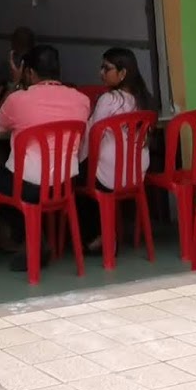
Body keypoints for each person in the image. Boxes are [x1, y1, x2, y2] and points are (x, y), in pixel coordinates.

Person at [0, 44, 90, 271]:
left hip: (29, 187)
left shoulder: (19, 99)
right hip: (65, 185)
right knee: (13, 179)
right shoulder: (81, 100)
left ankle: (26, 239)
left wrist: (14, 83)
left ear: (29, 72)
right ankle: (35, 239)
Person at [78, 47, 155, 251]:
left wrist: (77, 160)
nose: (100, 73)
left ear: (122, 73)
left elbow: (93, 136)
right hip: (136, 175)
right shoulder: (145, 100)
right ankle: (107, 232)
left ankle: (98, 236)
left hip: (108, 176)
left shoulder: (108, 100)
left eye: (106, 68)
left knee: (74, 182)